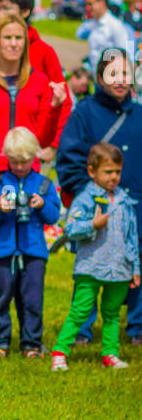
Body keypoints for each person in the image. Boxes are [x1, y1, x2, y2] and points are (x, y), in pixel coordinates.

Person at [0, 12, 68, 354]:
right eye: (7, 38)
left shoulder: (36, 82)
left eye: (18, 38)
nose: (13, 44)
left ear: (25, 43)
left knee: (25, 251)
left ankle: (26, 335)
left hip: (25, 173)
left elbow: (45, 137)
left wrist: (53, 107)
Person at [56, 49, 142, 344]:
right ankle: (81, 329)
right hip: (99, 208)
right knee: (91, 267)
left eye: (125, 73)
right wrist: (90, 197)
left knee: (136, 262)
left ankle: (137, 327)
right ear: (100, 76)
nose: (120, 80)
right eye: (112, 73)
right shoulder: (84, 112)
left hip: (136, 204)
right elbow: (69, 160)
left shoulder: (139, 113)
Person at [52, 143, 140, 372]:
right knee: (80, 310)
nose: (114, 177)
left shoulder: (124, 200)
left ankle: (110, 355)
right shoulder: (86, 198)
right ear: (92, 171)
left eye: (117, 172)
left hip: (119, 268)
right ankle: (60, 352)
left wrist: (135, 268)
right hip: (91, 267)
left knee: (112, 314)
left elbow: (132, 237)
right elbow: (70, 228)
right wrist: (92, 224)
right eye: (108, 172)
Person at [0, 127, 61, 358]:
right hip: (4, 251)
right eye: (14, 161)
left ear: (34, 158)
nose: (18, 167)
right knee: (2, 297)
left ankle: (32, 343)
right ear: (6, 157)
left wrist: (41, 205)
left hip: (34, 251)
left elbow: (54, 216)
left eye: (24, 162)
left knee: (32, 300)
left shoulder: (43, 184)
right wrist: (0, 208)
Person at [76, 0, 137, 73]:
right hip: (96, 78)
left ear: (101, 2)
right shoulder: (93, 23)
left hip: (110, 80)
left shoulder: (115, 25)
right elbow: (79, 34)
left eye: (90, 4)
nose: (87, 8)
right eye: (86, 4)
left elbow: (127, 55)